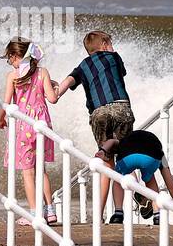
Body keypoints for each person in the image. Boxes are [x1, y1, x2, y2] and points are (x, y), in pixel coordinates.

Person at [52, 30, 133, 222]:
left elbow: (57, 93)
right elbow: (120, 75)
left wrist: (51, 86)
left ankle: (99, 214)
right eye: (111, 43)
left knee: (107, 162)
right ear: (104, 44)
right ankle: (120, 210)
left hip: (99, 114)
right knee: (123, 159)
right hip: (121, 108)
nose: (113, 47)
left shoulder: (82, 66)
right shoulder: (114, 57)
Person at [0, 38, 58, 226]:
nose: (10, 62)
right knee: (41, 170)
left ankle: (34, 214)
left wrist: (0, 118)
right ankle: (50, 210)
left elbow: (6, 102)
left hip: (24, 126)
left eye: (10, 58)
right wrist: (54, 85)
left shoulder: (13, 76)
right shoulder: (42, 72)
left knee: (28, 172)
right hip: (42, 124)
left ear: (15, 56)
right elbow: (53, 99)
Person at [95, 129, 173, 226]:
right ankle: (157, 215)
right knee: (150, 179)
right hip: (150, 158)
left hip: (127, 155)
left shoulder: (124, 140)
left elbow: (111, 142)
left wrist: (103, 150)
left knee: (118, 178)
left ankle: (118, 213)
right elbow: (172, 187)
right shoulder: (161, 154)